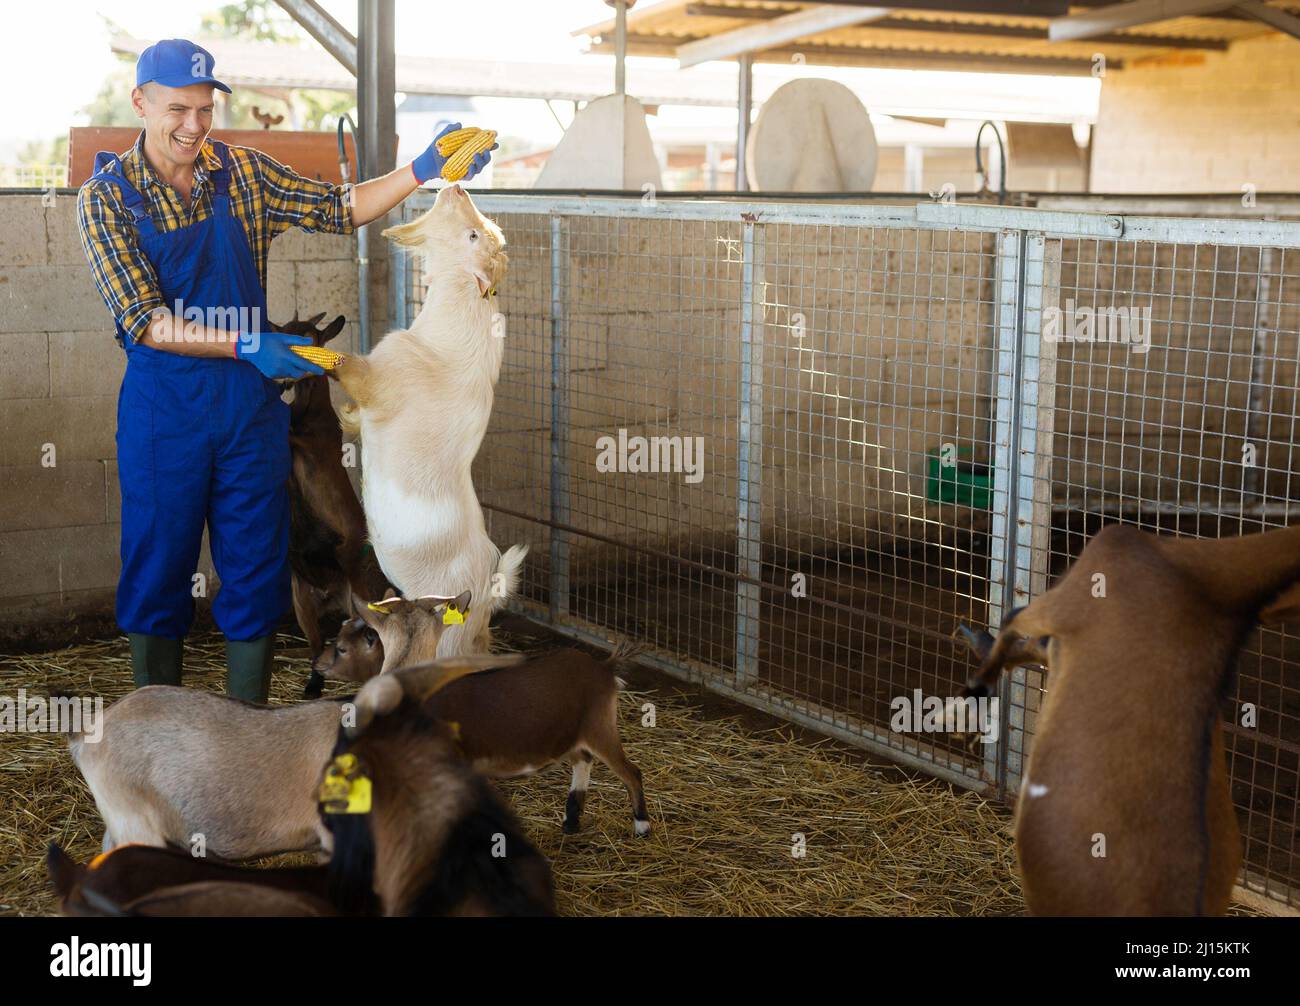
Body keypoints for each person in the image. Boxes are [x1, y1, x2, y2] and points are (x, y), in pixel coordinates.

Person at [76, 38, 494, 701]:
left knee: (255, 574)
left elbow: (339, 209)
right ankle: (153, 742)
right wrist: (247, 345)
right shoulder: (108, 199)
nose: (193, 126)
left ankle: (247, 735)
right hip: (167, 418)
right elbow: (146, 319)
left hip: (248, 415)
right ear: (141, 102)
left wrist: (421, 167)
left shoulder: (241, 175)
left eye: (205, 109)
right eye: (178, 109)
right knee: (158, 575)